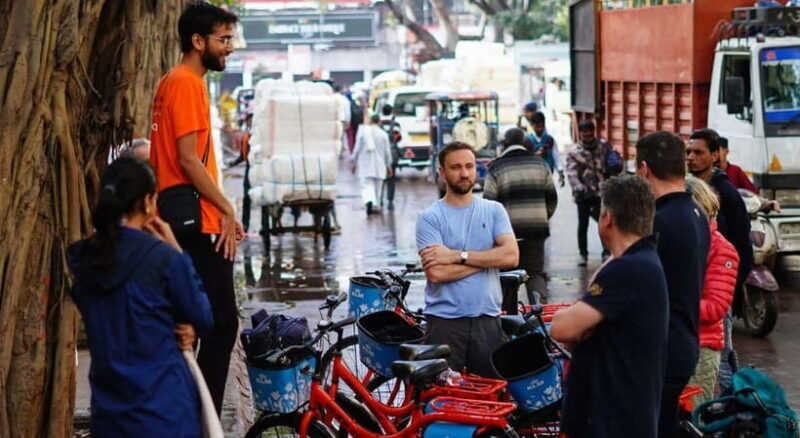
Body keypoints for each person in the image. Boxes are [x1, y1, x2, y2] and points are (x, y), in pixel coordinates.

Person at [68, 157, 214, 436]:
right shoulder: (163, 257)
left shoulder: (83, 258)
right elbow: (204, 318)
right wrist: (177, 250)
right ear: (148, 202)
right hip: (165, 412)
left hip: (110, 414)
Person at [148, 2, 241, 415]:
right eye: (223, 40)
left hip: (184, 218)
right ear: (197, 40)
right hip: (196, 221)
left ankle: (192, 412)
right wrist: (226, 207)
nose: (229, 48)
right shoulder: (187, 83)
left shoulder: (171, 81)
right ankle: (205, 418)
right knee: (221, 325)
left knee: (196, 325)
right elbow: (188, 160)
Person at [551, 175, 668, 438]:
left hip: (613, 419)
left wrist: (572, 319)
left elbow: (561, 328)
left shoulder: (627, 270)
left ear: (607, 218)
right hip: (626, 413)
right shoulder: (642, 260)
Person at [416, 142, 519, 377]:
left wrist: (456, 256)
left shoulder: (494, 210)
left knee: (489, 400)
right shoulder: (430, 218)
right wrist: (490, 258)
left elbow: (511, 257)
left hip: (488, 319)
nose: (464, 173)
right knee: (441, 400)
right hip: (444, 323)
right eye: (456, 167)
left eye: (469, 166)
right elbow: (436, 274)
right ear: (442, 172)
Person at [635, 131, 710, 438]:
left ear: (644, 169)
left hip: (661, 350)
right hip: (683, 342)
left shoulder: (659, 222)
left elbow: (639, 291)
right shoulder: (696, 213)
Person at [484, 127, 557, 303]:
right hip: (536, 232)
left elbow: (488, 204)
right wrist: (541, 218)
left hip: (506, 235)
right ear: (525, 143)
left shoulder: (496, 167)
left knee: (507, 278)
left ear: (505, 144)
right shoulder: (541, 164)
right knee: (535, 275)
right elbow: (552, 199)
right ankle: (538, 319)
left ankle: (509, 322)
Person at [685, 176, 739, 405]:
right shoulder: (682, 241)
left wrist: (670, 303)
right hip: (676, 341)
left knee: (692, 417)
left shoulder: (722, 249)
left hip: (702, 349)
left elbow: (716, 307)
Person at [566, 120, 616, 266]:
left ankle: (606, 252)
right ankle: (583, 254)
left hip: (601, 193)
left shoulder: (603, 146)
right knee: (583, 225)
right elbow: (572, 173)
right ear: (580, 133)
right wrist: (579, 187)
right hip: (583, 195)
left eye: (590, 130)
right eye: (584, 131)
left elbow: (612, 162)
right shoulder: (575, 151)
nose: (587, 133)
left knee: (605, 223)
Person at [351, 114, 393, 216]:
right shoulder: (383, 134)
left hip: (365, 164)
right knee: (378, 187)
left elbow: (356, 149)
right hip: (380, 165)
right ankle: (376, 206)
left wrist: (353, 161)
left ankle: (369, 200)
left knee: (366, 185)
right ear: (379, 122)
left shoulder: (363, 133)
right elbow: (387, 152)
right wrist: (389, 166)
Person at [226, 113, 253, 232]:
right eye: (249, 121)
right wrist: (233, 163)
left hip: (260, 168)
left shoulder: (260, 135)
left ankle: (264, 225)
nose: (250, 123)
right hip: (250, 168)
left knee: (262, 199)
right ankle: (245, 224)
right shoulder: (246, 137)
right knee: (247, 196)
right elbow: (243, 155)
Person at [525, 111, 565, 186]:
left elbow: (557, 157)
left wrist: (561, 173)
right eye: (537, 126)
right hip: (532, 177)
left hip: (548, 176)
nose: (540, 129)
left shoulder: (550, 140)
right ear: (532, 125)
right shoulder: (527, 141)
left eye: (542, 126)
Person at [379, 103, 402, 211]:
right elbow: (398, 138)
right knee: (391, 178)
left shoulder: (378, 124)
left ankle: (379, 199)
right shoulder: (396, 124)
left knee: (380, 178)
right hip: (392, 153)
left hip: (380, 154)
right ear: (391, 111)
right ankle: (390, 201)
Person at [333, 84, 352, 157]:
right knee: (340, 136)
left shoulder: (330, 98)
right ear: (340, 90)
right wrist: (348, 120)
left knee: (333, 136)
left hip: (332, 120)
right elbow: (348, 111)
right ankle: (340, 152)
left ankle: (334, 151)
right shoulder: (344, 99)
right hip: (342, 119)